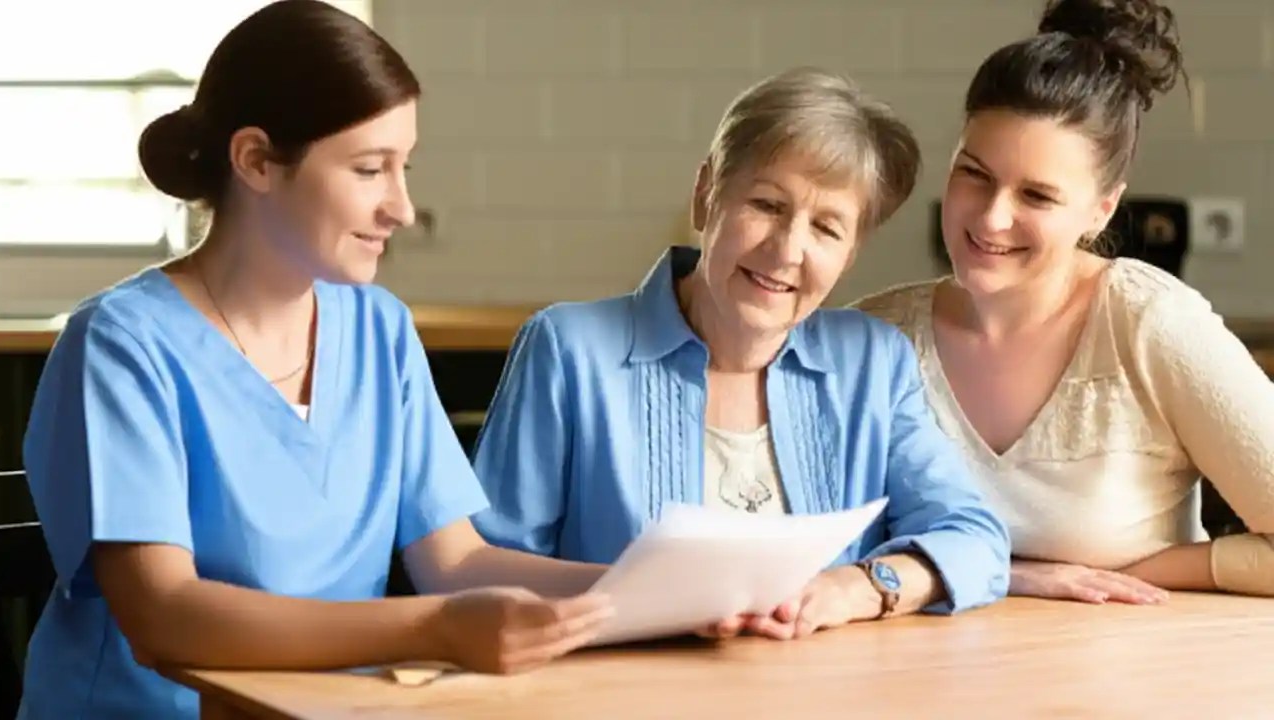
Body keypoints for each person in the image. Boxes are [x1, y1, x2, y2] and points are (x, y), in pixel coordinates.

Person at [18, 2, 614, 718]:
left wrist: (654, 595)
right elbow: (163, 614)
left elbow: (455, 563)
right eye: (369, 169)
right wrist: (434, 629)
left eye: (404, 168)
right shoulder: (121, 344)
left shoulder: (380, 331)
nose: (401, 207)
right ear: (257, 161)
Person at [470, 67, 1011, 641]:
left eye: (827, 228)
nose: (786, 250)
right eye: (767, 205)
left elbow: (976, 539)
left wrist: (854, 588)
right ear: (706, 196)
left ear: (850, 254)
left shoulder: (874, 366)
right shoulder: (568, 350)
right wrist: (650, 597)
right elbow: (476, 571)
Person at [853, 0, 1274, 605]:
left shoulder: (1148, 325)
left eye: (1038, 195)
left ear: (1100, 209)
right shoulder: (874, 336)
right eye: (974, 173)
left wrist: (1145, 574)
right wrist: (1015, 576)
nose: (993, 217)